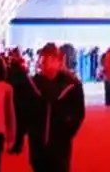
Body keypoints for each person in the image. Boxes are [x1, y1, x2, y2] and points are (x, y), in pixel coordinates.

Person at [23, 44, 85, 172]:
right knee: (39, 166)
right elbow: (25, 109)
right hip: (37, 140)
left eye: (53, 59)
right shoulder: (33, 84)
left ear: (59, 61)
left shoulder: (71, 85)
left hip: (60, 140)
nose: (49, 64)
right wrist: (31, 127)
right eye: (46, 60)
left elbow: (78, 113)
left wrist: (68, 128)